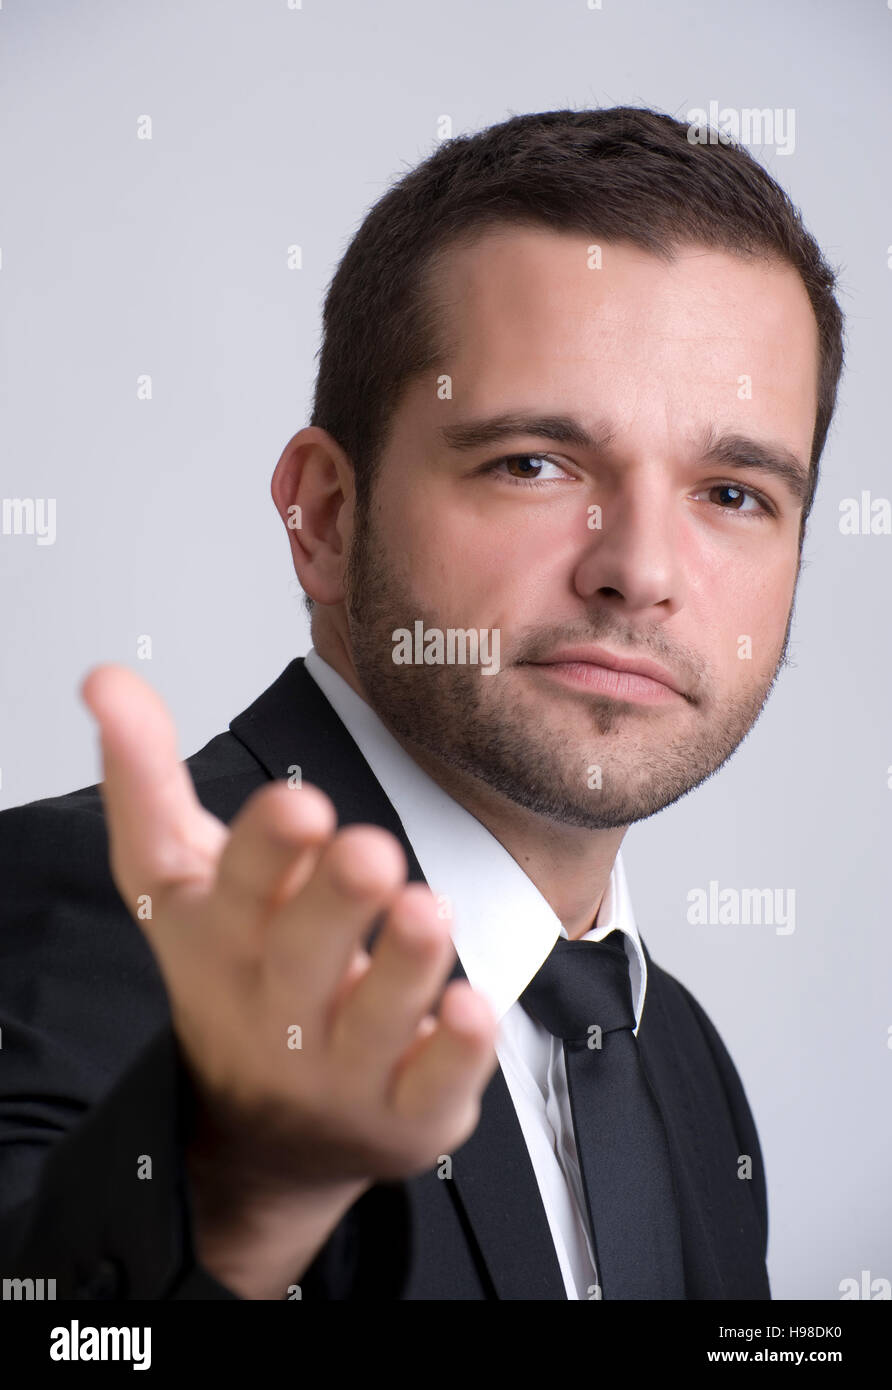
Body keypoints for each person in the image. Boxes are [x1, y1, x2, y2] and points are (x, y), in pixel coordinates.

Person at [0, 105, 844, 1301]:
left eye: (733, 492)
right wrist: (230, 1205)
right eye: (532, 464)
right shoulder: (94, 910)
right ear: (326, 517)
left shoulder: (683, 1062)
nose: (641, 570)